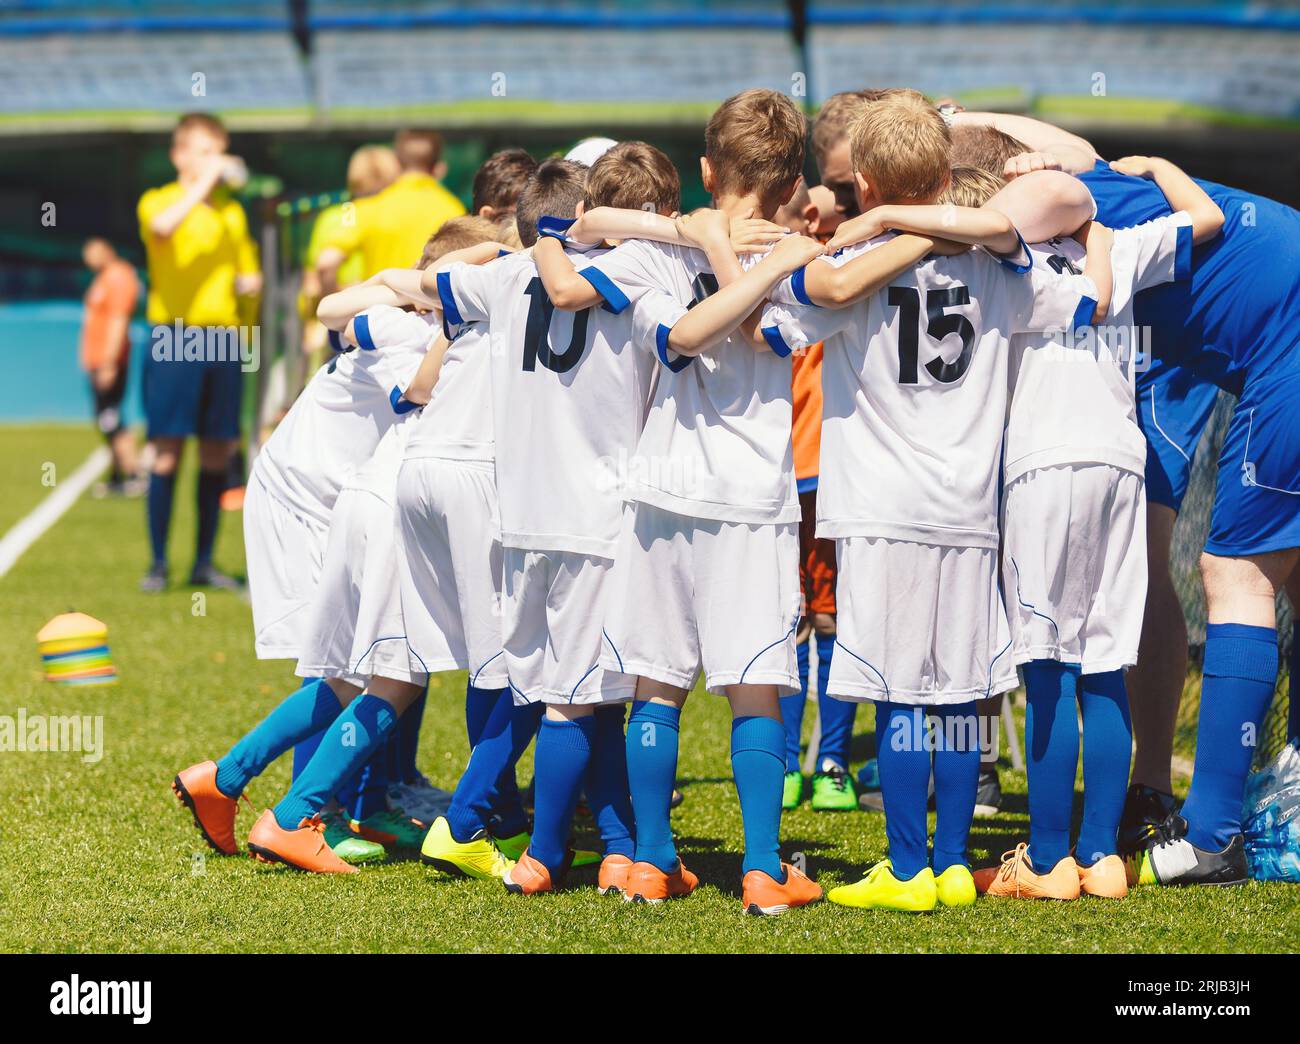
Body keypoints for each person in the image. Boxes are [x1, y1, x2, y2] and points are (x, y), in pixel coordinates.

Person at [760, 91, 1098, 914]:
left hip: (881, 508)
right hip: (970, 506)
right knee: (956, 694)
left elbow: (776, 331)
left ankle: (909, 869)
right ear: (948, 174)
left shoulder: (850, 267)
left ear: (865, 184)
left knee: (904, 695)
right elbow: (1080, 298)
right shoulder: (994, 262)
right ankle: (951, 861)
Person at [954, 107, 1300, 885]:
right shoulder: (1107, 198)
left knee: (1231, 576)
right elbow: (1079, 157)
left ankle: (1208, 835)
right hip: (1253, 350)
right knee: (1278, 579)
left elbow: (1031, 194)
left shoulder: (1047, 211)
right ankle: (1269, 796)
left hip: (1279, 345)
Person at [136, 112, 261, 592]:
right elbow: (164, 228)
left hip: (224, 338)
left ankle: (203, 563)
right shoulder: (159, 201)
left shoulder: (230, 212)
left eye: (218, 152)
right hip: (175, 335)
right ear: (179, 155)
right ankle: (158, 563)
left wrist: (250, 285)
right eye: (203, 152)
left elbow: (246, 274)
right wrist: (206, 179)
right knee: (167, 450)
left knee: (217, 450)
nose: (214, 163)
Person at [315, 128, 466, 291]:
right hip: (434, 310)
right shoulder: (454, 208)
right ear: (439, 168)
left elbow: (326, 263)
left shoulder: (366, 206)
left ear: (396, 163)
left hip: (381, 309)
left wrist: (343, 294)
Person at [79, 237, 142, 496]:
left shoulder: (119, 277)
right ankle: (117, 475)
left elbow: (119, 319)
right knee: (105, 418)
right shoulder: (103, 278)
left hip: (109, 361)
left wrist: (109, 361)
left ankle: (136, 472)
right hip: (96, 360)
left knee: (111, 418)